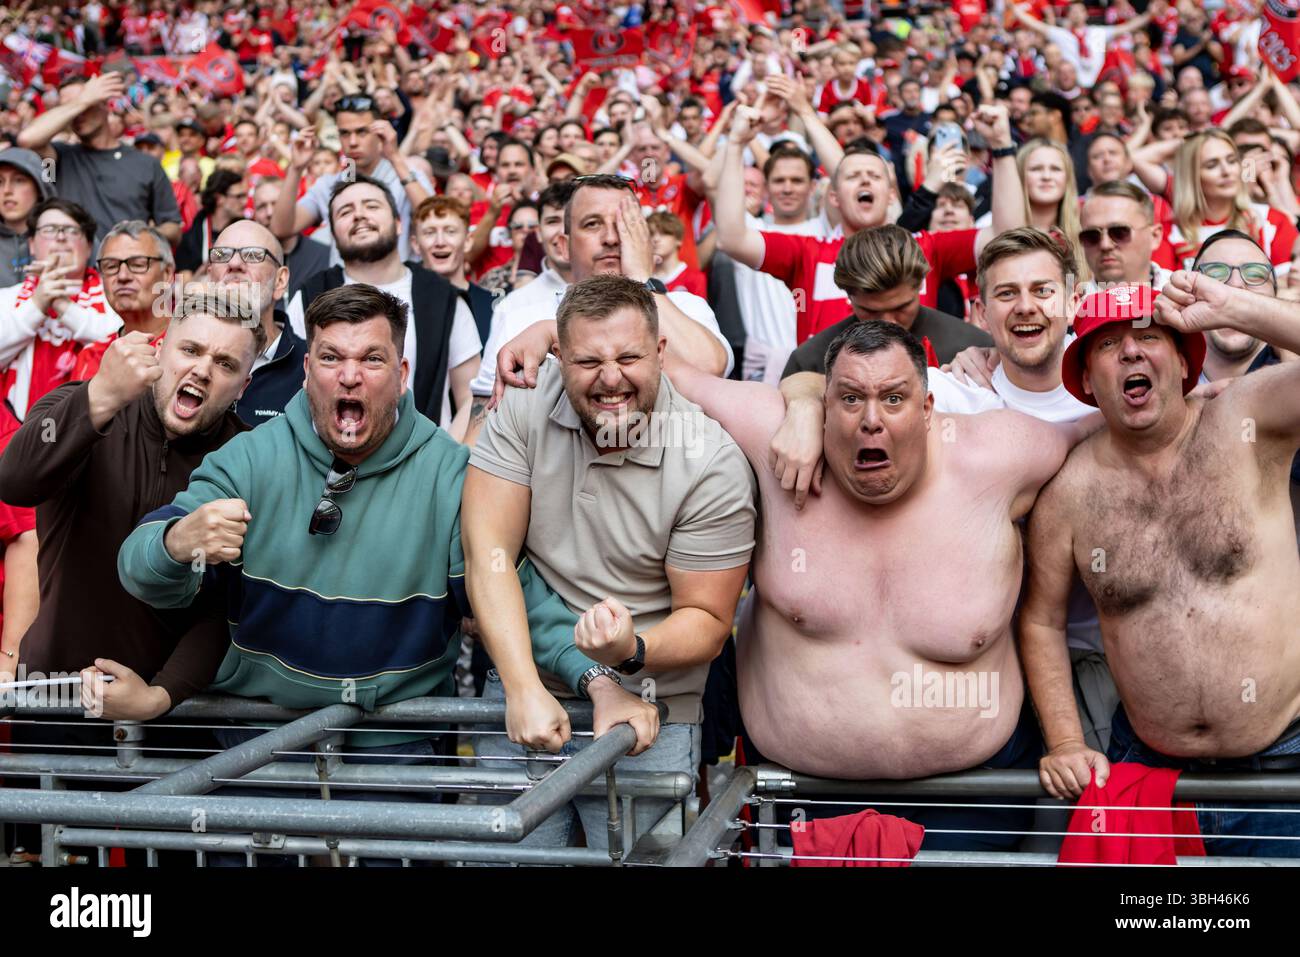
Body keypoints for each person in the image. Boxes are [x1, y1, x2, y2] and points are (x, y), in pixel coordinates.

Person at [116, 283, 589, 813]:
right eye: (331, 357)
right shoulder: (249, 458)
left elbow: (518, 592)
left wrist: (595, 676)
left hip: (396, 741)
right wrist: (178, 543)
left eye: (372, 359)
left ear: (403, 376)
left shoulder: (449, 475)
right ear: (306, 370)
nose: (349, 375)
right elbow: (138, 569)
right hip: (256, 734)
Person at [464, 274, 756, 853]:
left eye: (629, 356)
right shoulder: (524, 405)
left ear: (661, 353)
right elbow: (488, 552)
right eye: (588, 361)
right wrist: (521, 687)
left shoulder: (710, 462)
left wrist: (631, 649)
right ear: (559, 358)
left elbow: (708, 618)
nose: (611, 377)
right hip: (524, 690)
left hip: (652, 715)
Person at [1021, 277, 1300, 857]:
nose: (1129, 351)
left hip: (1285, 762)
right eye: (1106, 343)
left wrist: (1239, 309)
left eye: (1148, 335)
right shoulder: (1068, 493)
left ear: (1182, 360)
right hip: (1150, 778)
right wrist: (1067, 741)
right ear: (1088, 383)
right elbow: (1042, 621)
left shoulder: (1247, 420)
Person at [0, 289, 263, 721]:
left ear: (244, 385)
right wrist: (101, 395)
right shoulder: (80, 404)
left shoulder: (248, 456)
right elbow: (14, 481)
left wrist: (161, 695)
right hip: (53, 698)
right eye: (190, 350)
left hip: (171, 718)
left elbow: (230, 609)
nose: (201, 370)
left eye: (225, 364)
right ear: (160, 348)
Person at [713, 103, 1021, 343]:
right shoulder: (806, 252)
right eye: (852, 176)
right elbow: (731, 238)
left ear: (889, 195)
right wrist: (736, 144)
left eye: (874, 176)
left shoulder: (925, 248)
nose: (864, 179)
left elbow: (1006, 236)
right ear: (833, 196)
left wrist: (1003, 147)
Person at [468, 174, 732, 430]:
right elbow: (480, 429)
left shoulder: (685, 306)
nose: (611, 238)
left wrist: (640, 280)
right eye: (593, 224)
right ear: (562, 247)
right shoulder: (519, 317)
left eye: (625, 225)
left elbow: (709, 368)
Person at [285, 175, 480, 431]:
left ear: (399, 224)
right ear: (333, 234)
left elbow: (471, 396)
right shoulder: (311, 295)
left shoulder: (443, 297)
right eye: (345, 211)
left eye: (371, 206)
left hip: (424, 462)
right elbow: (290, 388)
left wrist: (447, 457)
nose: (359, 215)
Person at [781, 226, 993, 382]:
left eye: (901, 308)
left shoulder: (976, 347)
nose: (889, 323)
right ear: (848, 295)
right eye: (871, 311)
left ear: (920, 284)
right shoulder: (810, 361)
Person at [16, 73, 181, 248]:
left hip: (126, 268)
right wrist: (83, 101)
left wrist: (139, 237)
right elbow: (27, 139)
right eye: (71, 108)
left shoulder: (146, 164)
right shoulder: (56, 159)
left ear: (104, 103)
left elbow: (173, 227)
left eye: (87, 104)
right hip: (69, 269)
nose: (78, 114)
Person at [270, 94, 433, 268]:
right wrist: (296, 168)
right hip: (346, 292)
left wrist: (395, 157)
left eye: (362, 132)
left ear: (380, 133)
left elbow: (432, 218)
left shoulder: (407, 176)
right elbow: (281, 229)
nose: (353, 142)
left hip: (397, 288)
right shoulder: (329, 184)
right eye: (345, 133)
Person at [0, 198, 118, 419]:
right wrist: (37, 304)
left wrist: (63, 307)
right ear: (32, 244)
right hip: (14, 436)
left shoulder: (114, 294)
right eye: (49, 230)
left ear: (89, 246)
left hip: (93, 433)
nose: (61, 237)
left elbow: (122, 343)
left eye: (72, 230)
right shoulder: (7, 298)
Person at [204, 220, 299, 426]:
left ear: (280, 281)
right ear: (210, 277)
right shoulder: (183, 357)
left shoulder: (310, 368)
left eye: (254, 255)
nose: (235, 264)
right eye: (221, 255)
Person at [70, 220, 175, 380]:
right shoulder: (92, 357)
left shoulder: (194, 346)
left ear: (167, 274)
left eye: (138, 264)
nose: (123, 276)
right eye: (111, 266)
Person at [412, 195, 496, 345]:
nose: (440, 242)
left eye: (450, 231)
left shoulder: (494, 307)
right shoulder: (400, 305)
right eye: (429, 232)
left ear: (468, 241)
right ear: (416, 244)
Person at [251, 176, 330, 300]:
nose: (270, 212)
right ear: (254, 215)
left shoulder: (324, 256)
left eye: (276, 204)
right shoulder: (248, 262)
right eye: (261, 206)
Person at [174, 169, 249, 275]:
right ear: (219, 199)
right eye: (239, 197)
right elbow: (183, 284)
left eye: (245, 196)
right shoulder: (191, 237)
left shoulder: (247, 231)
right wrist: (201, 275)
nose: (245, 202)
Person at [0, 147, 51, 288]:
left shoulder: (68, 234)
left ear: (39, 188)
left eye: (19, 180)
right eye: (0, 182)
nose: (7, 190)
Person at [647, 211, 706, 297]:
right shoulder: (644, 277)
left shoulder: (695, 278)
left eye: (664, 233)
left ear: (679, 239)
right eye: (651, 234)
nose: (656, 239)